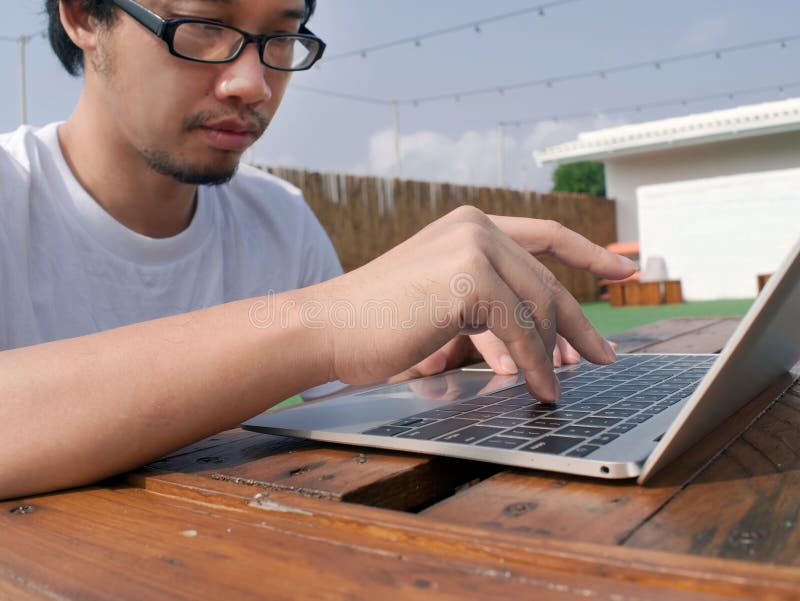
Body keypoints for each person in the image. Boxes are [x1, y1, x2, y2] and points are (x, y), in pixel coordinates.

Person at [0, 0, 636, 502]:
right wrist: (327, 319)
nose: (253, 83)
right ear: (84, 13)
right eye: (201, 26)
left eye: (280, 39)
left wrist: (431, 360)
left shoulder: (277, 216)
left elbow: (342, 399)